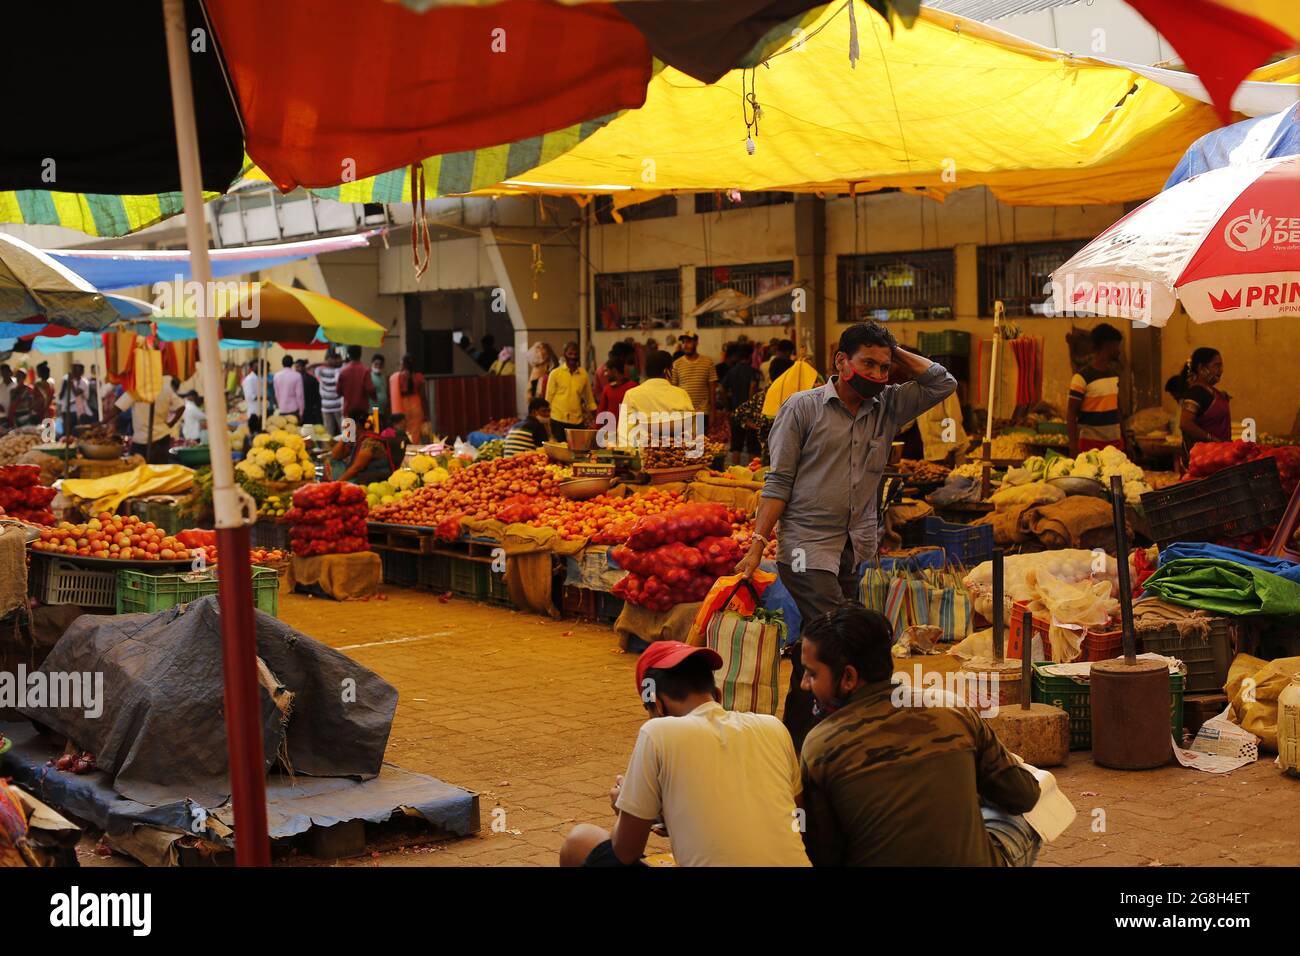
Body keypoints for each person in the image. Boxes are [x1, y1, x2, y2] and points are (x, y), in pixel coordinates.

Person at [735, 321, 957, 752]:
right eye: (867, 364)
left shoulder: (888, 407)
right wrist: (758, 544)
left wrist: (894, 350)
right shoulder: (802, 409)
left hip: (855, 545)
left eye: (883, 367)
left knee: (822, 644)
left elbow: (941, 382)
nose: (876, 374)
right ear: (841, 362)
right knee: (846, 637)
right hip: (805, 548)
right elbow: (778, 481)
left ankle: (799, 735)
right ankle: (860, 734)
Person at [798, 606, 1043, 866]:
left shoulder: (819, 747)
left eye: (812, 674)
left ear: (848, 677)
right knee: (1019, 815)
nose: (804, 684)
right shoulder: (952, 711)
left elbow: (821, 853)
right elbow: (1024, 796)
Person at [559, 641, 810, 868]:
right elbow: (798, 822)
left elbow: (626, 851)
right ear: (718, 695)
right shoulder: (773, 727)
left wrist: (623, 807)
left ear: (657, 704)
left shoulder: (656, 733)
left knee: (579, 842)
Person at [617, 349, 695, 449]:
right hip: (675, 458)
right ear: (667, 370)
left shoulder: (631, 394)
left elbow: (623, 433)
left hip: (642, 457)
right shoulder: (681, 394)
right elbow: (692, 433)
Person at [1067, 323, 1125, 456]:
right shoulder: (1081, 378)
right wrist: (1073, 447)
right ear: (1108, 346)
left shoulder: (1114, 375)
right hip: (1090, 448)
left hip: (1115, 447)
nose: (1119, 351)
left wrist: (1125, 439)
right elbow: (1071, 414)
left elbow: (1118, 410)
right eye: (1117, 346)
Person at [1166, 347, 1230, 466]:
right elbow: (1185, 424)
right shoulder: (1196, 393)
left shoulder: (1212, 391)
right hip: (1203, 460)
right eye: (1216, 366)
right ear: (1201, 368)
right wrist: (1212, 439)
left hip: (1218, 455)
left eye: (1221, 366)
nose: (1221, 370)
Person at [116, 377, 184, 464]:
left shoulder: (135, 390)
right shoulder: (165, 388)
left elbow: (117, 408)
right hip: (161, 437)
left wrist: (102, 422)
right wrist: (171, 423)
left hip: (143, 440)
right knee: (160, 472)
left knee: (139, 471)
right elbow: (181, 407)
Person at [332, 405, 397, 484]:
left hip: (375, 479)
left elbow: (357, 467)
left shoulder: (370, 441)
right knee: (334, 463)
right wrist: (345, 436)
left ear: (357, 424)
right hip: (364, 477)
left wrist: (338, 483)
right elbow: (335, 456)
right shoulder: (357, 438)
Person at [545, 341, 595, 443]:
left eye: (575, 354)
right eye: (570, 354)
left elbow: (589, 399)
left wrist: (595, 416)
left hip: (577, 420)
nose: (573, 357)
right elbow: (548, 398)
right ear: (564, 354)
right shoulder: (555, 374)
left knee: (577, 450)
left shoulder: (583, 374)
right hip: (558, 419)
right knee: (559, 450)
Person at [724, 342, 760, 465]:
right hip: (750, 415)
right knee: (752, 446)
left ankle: (734, 472)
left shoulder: (732, 371)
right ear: (750, 356)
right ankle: (752, 471)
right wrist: (751, 407)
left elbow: (722, 389)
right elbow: (753, 387)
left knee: (736, 445)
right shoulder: (753, 371)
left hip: (735, 411)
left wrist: (727, 407)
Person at [670, 332, 716, 427]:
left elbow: (712, 389)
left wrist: (712, 411)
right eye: (683, 342)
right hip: (683, 412)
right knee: (684, 441)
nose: (685, 345)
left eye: (689, 342)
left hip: (702, 412)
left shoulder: (708, 362)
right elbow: (673, 389)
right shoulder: (677, 364)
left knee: (700, 441)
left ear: (696, 343)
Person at [389, 354, 428, 444]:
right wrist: (426, 415)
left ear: (403, 364)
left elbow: (391, 395)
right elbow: (423, 397)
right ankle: (414, 451)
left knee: (402, 430)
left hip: (402, 404)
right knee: (415, 432)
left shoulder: (397, 377)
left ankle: (404, 450)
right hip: (416, 404)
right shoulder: (419, 377)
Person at [337, 344, 375, 424]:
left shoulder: (343, 371)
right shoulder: (365, 370)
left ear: (349, 355)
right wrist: (374, 398)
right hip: (362, 410)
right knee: (363, 435)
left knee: (349, 435)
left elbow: (338, 391)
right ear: (360, 354)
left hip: (348, 411)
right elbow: (370, 389)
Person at [596, 357, 635, 423]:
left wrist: (593, 430)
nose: (605, 374)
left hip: (620, 430)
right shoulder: (634, 386)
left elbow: (600, 414)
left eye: (607, 370)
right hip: (626, 430)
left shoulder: (607, 389)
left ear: (614, 370)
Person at [57, 363, 91, 437]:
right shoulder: (67, 380)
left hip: (79, 411)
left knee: (78, 433)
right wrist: (65, 385)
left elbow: (76, 393)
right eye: (73, 370)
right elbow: (60, 396)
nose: (74, 373)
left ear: (81, 372)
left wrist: (70, 383)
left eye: (76, 371)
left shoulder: (83, 382)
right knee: (67, 432)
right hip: (67, 410)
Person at [317, 350, 344, 437]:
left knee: (329, 434)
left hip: (326, 406)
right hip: (338, 406)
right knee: (343, 432)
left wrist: (324, 362)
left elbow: (309, 367)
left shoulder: (320, 370)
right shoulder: (340, 370)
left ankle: (330, 450)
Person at [273, 355, 305, 421]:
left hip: (282, 409)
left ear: (282, 364)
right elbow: (300, 395)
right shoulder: (297, 375)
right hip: (294, 409)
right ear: (292, 364)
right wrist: (301, 411)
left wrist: (280, 406)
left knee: (282, 431)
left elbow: (277, 394)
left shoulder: (276, 376)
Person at [296, 358, 323, 426]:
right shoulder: (311, 379)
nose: (296, 369)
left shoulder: (306, 379)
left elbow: (317, 395)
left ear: (303, 367)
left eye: (298, 367)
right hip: (310, 409)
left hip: (308, 409)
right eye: (296, 367)